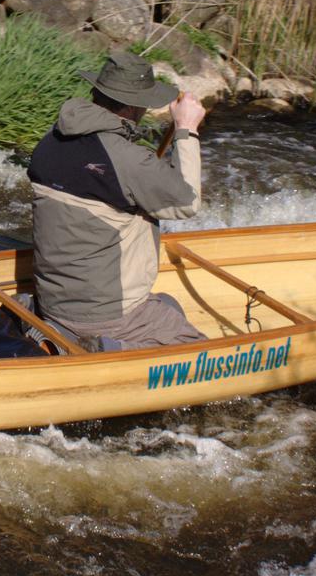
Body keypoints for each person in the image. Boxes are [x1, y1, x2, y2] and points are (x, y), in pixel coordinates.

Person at [27, 50, 208, 351]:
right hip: (106, 313)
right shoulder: (130, 160)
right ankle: (107, 349)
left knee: (168, 305)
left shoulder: (51, 139)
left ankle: (65, 335)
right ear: (135, 106)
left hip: (55, 300)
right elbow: (186, 202)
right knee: (198, 353)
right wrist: (186, 130)